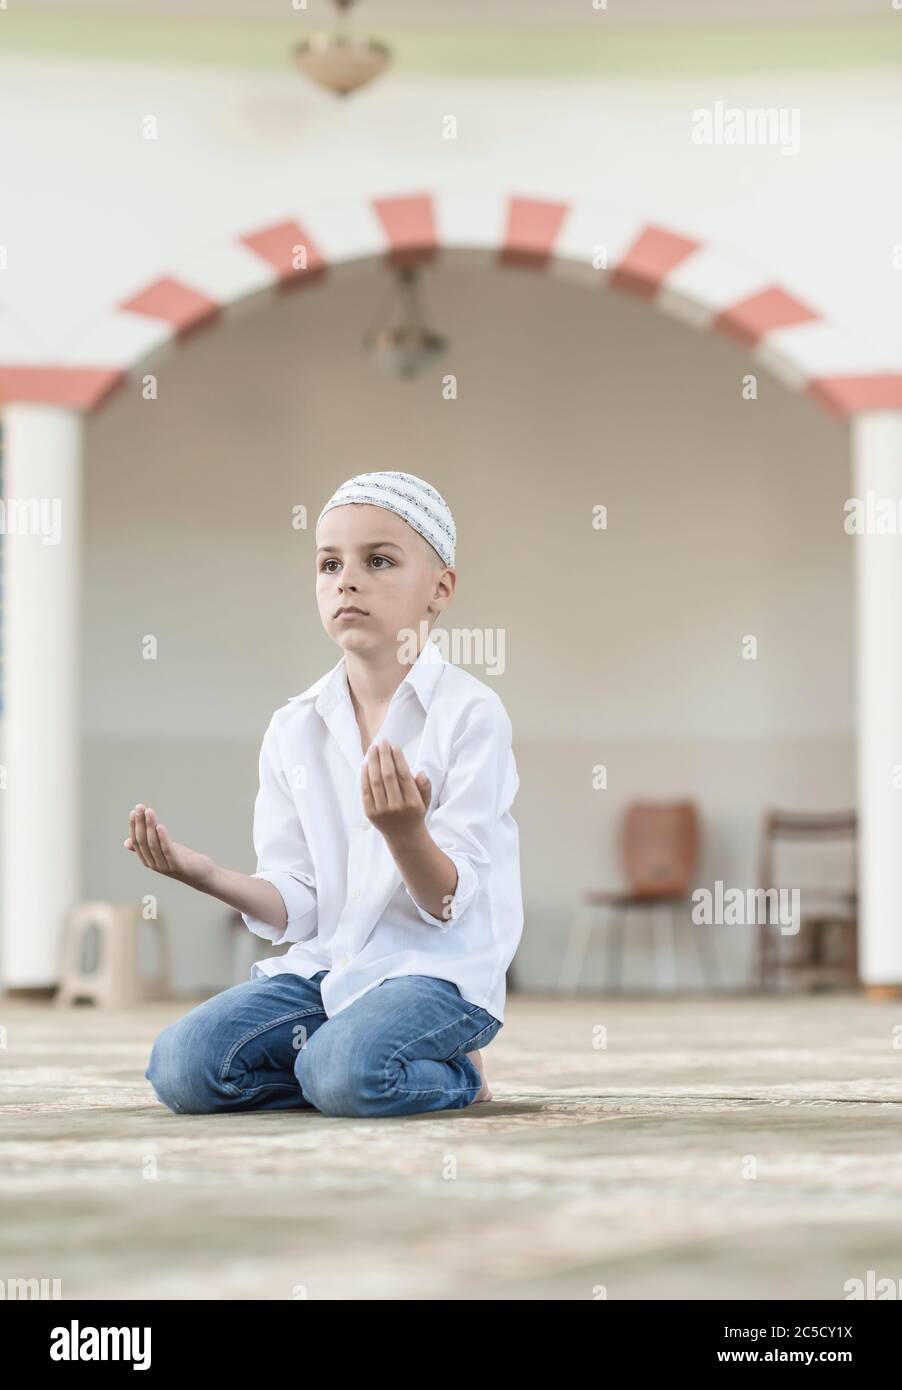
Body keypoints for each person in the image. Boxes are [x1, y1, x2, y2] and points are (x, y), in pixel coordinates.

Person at [132, 471, 524, 1117]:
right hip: (328, 971)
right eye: (329, 563)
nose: (347, 579)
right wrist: (204, 874)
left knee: (344, 1074)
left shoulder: (471, 715)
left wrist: (406, 835)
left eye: (379, 561)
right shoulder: (294, 725)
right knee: (181, 1067)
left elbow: (450, 903)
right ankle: (339, 1058)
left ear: (440, 588)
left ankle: (456, 1074)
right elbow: (299, 906)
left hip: (438, 976)